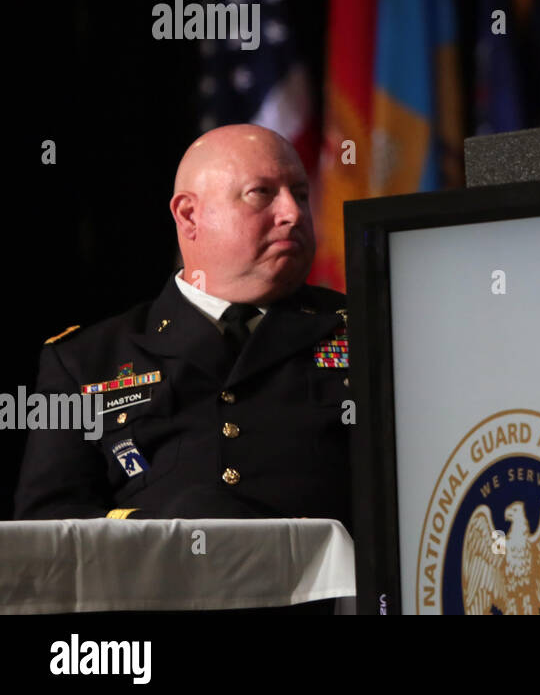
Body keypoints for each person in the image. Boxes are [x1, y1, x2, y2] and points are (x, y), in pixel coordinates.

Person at [14, 124, 352, 524]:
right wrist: (164, 539)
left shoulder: (366, 329)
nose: (292, 214)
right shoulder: (83, 361)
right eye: (262, 194)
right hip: (158, 584)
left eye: (299, 194)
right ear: (190, 216)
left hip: (334, 585)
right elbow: (47, 524)